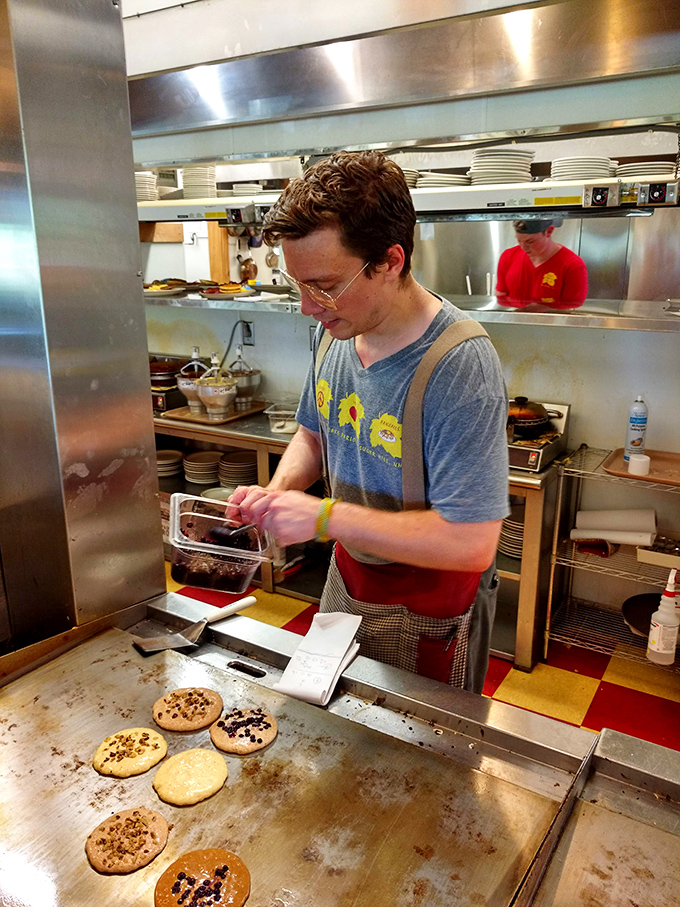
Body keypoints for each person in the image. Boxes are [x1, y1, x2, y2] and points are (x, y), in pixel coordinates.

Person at [231, 150, 509, 692]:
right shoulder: (336, 330)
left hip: (431, 605)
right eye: (300, 286)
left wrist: (322, 518)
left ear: (390, 260)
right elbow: (315, 434)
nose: (311, 307)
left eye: (326, 285)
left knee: (423, 761)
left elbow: (472, 542)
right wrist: (276, 495)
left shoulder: (458, 363)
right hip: (348, 579)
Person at [495, 219, 588, 309]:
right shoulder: (508, 256)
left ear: (549, 231)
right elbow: (501, 297)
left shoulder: (573, 265)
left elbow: (574, 309)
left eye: (530, 241)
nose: (523, 247)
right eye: (519, 240)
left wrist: (542, 309)